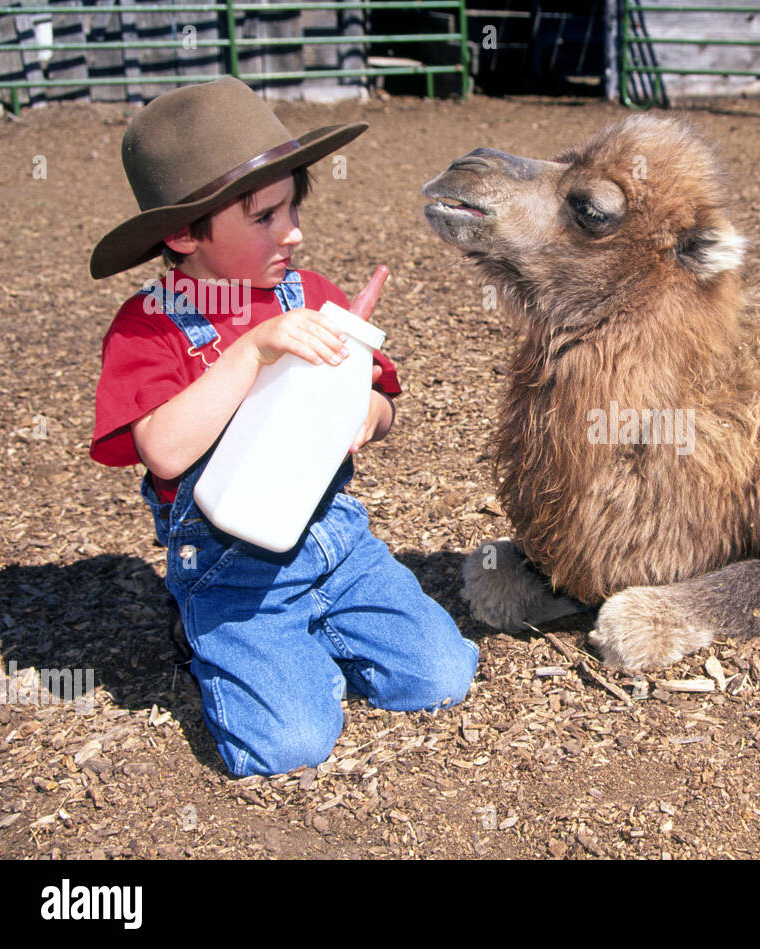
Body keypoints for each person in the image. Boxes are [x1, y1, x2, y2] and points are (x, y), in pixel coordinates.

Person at [89, 77, 478, 777]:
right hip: (229, 567)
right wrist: (252, 349)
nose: (292, 231)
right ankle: (221, 634)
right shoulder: (149, 327)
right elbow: (165, 450)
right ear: (183, 233)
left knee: (440, 675)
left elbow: (383, 399)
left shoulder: (315, 295)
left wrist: (369, 413)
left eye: (293, 206)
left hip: (336, 540)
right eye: (265, 217)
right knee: (291, 742)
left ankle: (306, 633)